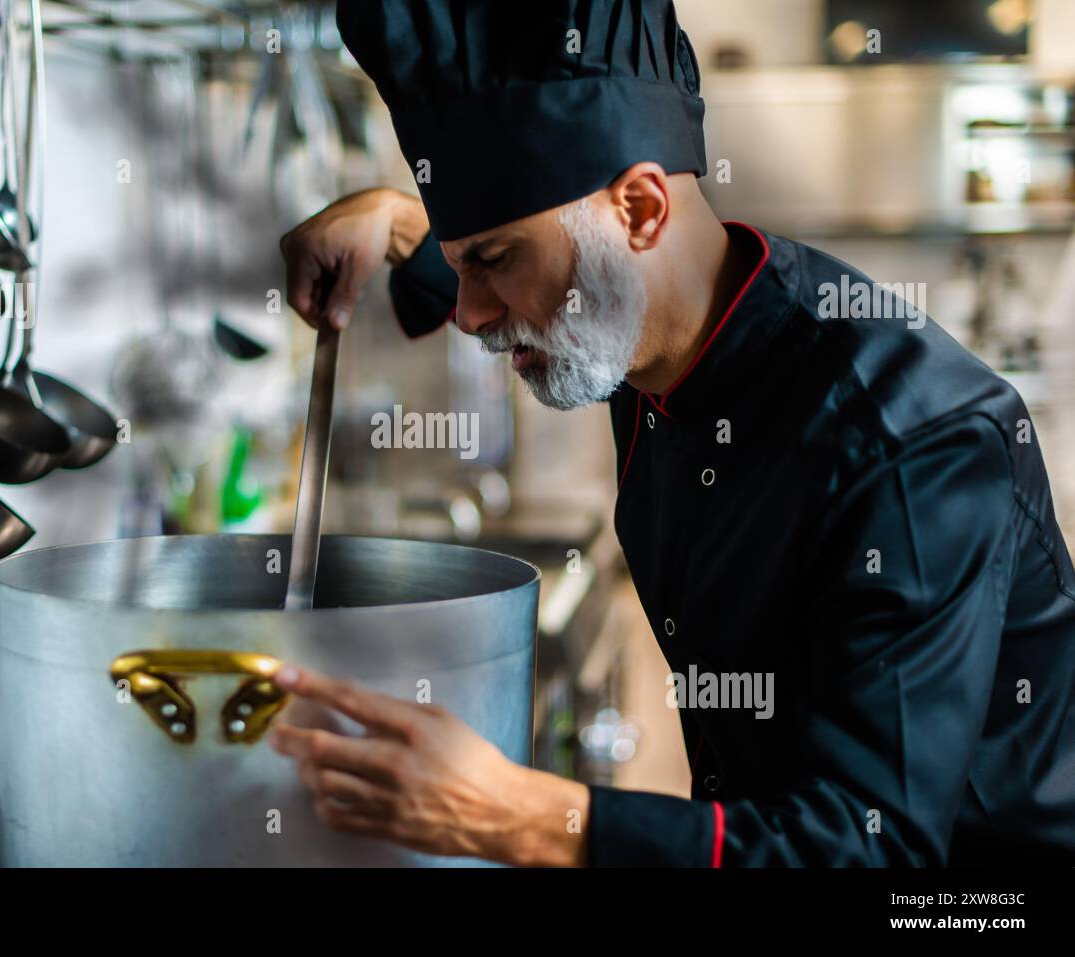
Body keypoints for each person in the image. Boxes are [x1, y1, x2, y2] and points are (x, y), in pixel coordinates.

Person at [272, 0, 1075, 866]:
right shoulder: (636, 318)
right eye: (463, 263)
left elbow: (871, 851)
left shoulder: (913, 448)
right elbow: (536, 250)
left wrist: (522, 815)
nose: (468, 315)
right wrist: (391, 218)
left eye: (494, 261)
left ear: (643, 209)